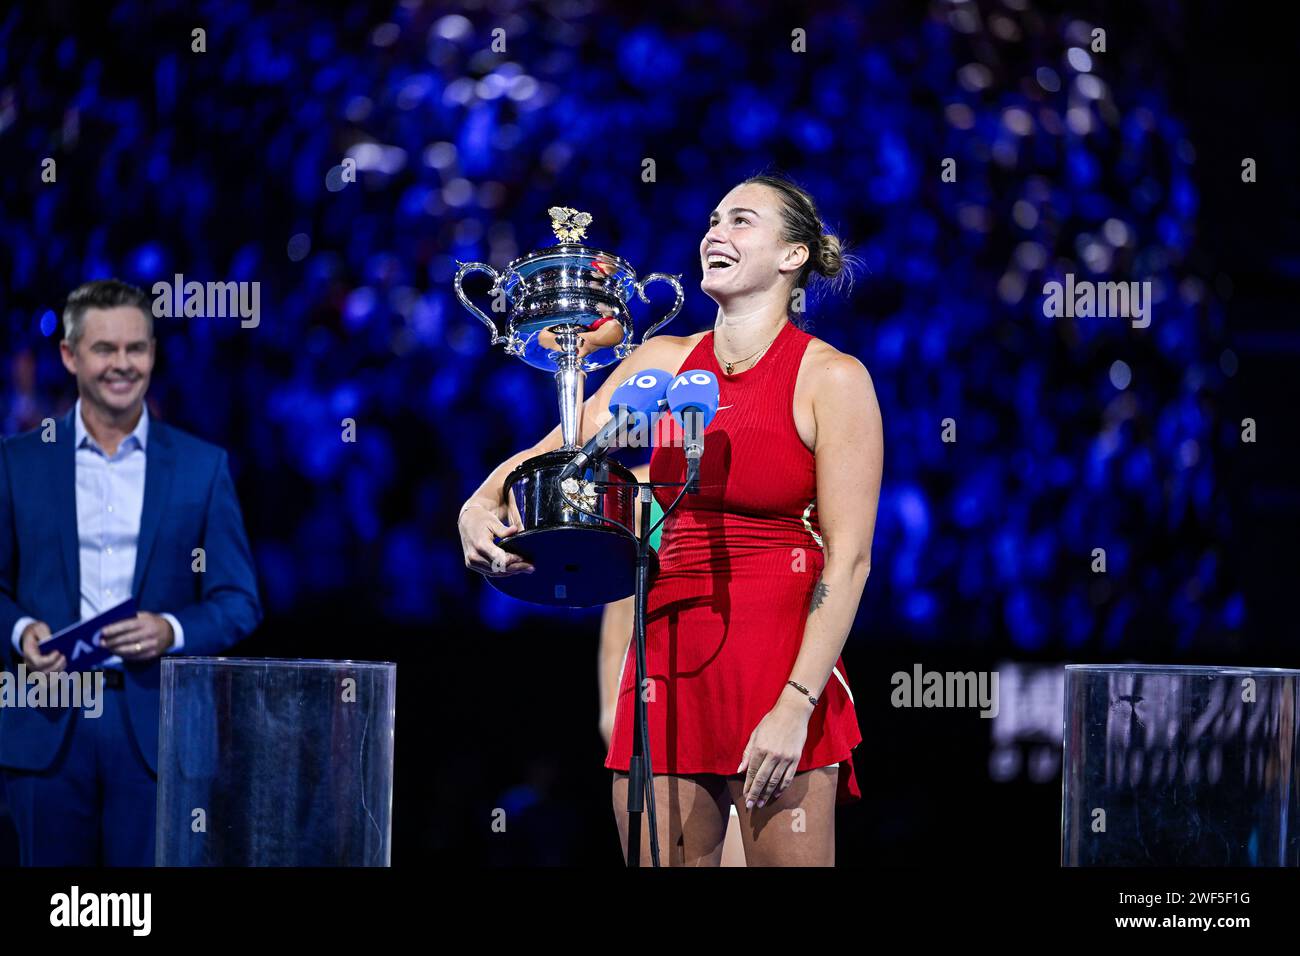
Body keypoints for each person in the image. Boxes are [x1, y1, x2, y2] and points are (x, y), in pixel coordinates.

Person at [459, 174, 883, 866]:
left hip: (779, 667)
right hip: (667, 665)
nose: (716, 232)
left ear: (792, 256)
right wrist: (481, 499)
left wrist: (798, 702)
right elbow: (555, 450)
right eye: (713, 218)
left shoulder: (832, 379)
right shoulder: (658, 362)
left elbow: (850, 560)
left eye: (742, 221)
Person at [0, 278, 263, 866]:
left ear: (152, 353)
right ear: (69, 356)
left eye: (136, 349)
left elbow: (238, 599)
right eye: (104, 349)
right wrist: (21, 633)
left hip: (155, 728)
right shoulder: (16, 462)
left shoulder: (202, 466)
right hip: (46, 725)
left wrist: (170, 629)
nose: (123, 364)